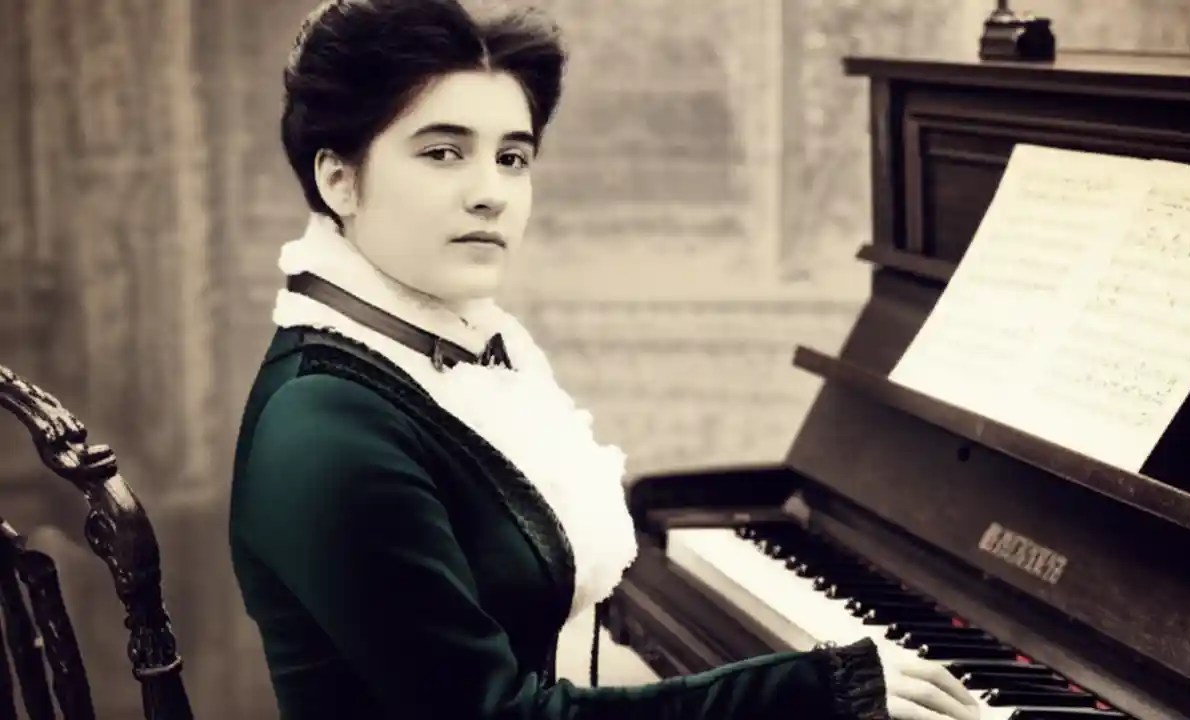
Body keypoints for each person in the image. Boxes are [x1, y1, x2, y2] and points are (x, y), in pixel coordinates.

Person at [228, 1, 983, 719]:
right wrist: (817, 688)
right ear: (339, 179)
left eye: (513, 157)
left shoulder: (443, 359)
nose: (491, 193)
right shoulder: (324, 427)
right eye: (443, 152)